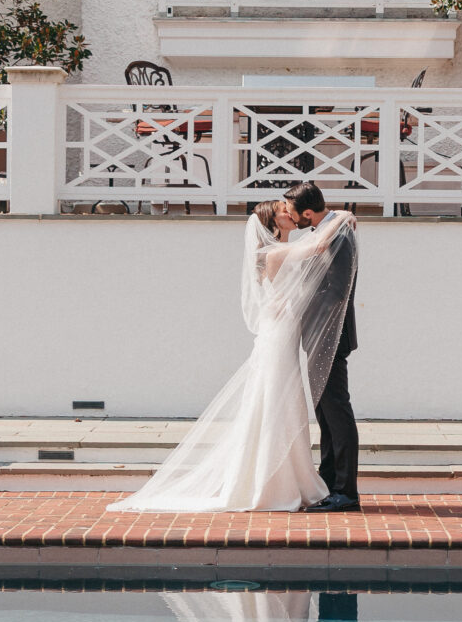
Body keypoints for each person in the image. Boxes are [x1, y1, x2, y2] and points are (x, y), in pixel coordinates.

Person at [108, 197, 356, 513]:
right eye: (283, 211)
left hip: (286, 336)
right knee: (275, 403)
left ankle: (288, 479)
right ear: (272, 223)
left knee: (283, 404)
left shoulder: (283, 248)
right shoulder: (274, 253)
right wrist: (341, 217)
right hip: (278, 339)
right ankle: (271, 483)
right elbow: (317, 247)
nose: (290, 214)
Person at [285, 182, 360, 512]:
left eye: (293, 213)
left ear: (307, 213)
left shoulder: (339, 235)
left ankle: (346, 491)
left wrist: (303, 309)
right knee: (325, 412)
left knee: (337, 411)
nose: (291, 218)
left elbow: (337, 290)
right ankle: (329, 482)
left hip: (330, 335)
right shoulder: (329, 228)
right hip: (317, 335)